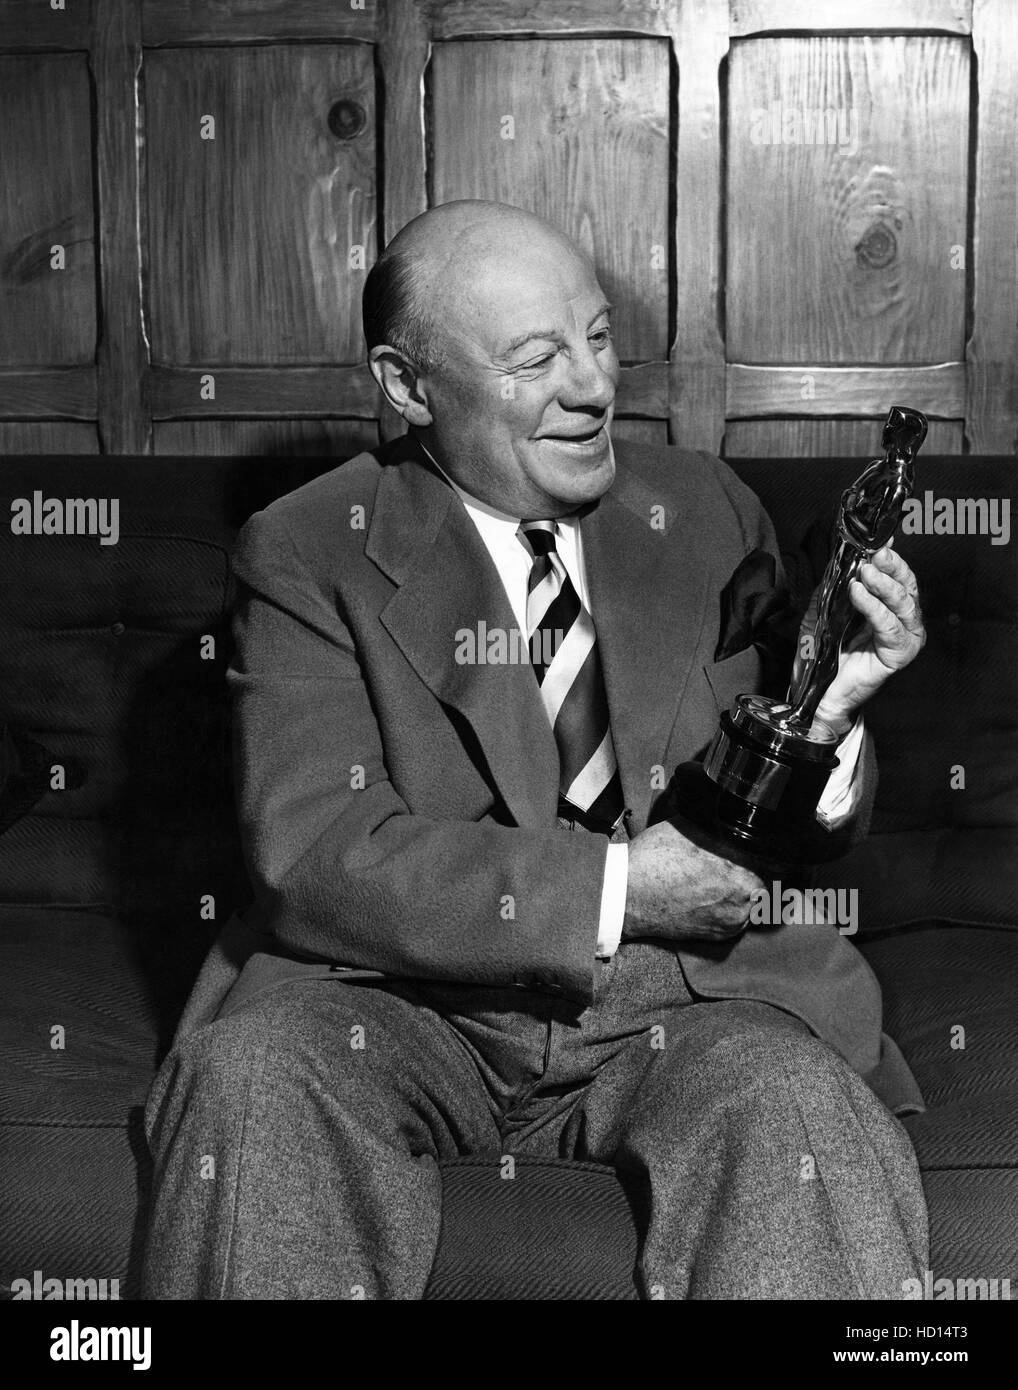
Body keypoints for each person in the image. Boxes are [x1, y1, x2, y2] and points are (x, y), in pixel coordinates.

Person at [142, 200, 928, 1300]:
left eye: (599, 338)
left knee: (795, 1104)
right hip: (401, 999)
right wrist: (617, 888)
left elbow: (773, 829)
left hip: (688, 1002)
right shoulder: (307, 549)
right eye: (535, 358)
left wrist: (829, 715)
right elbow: (318, 850)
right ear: (407, 386)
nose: (593, 386)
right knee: (253, 1082)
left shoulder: (703, 509)